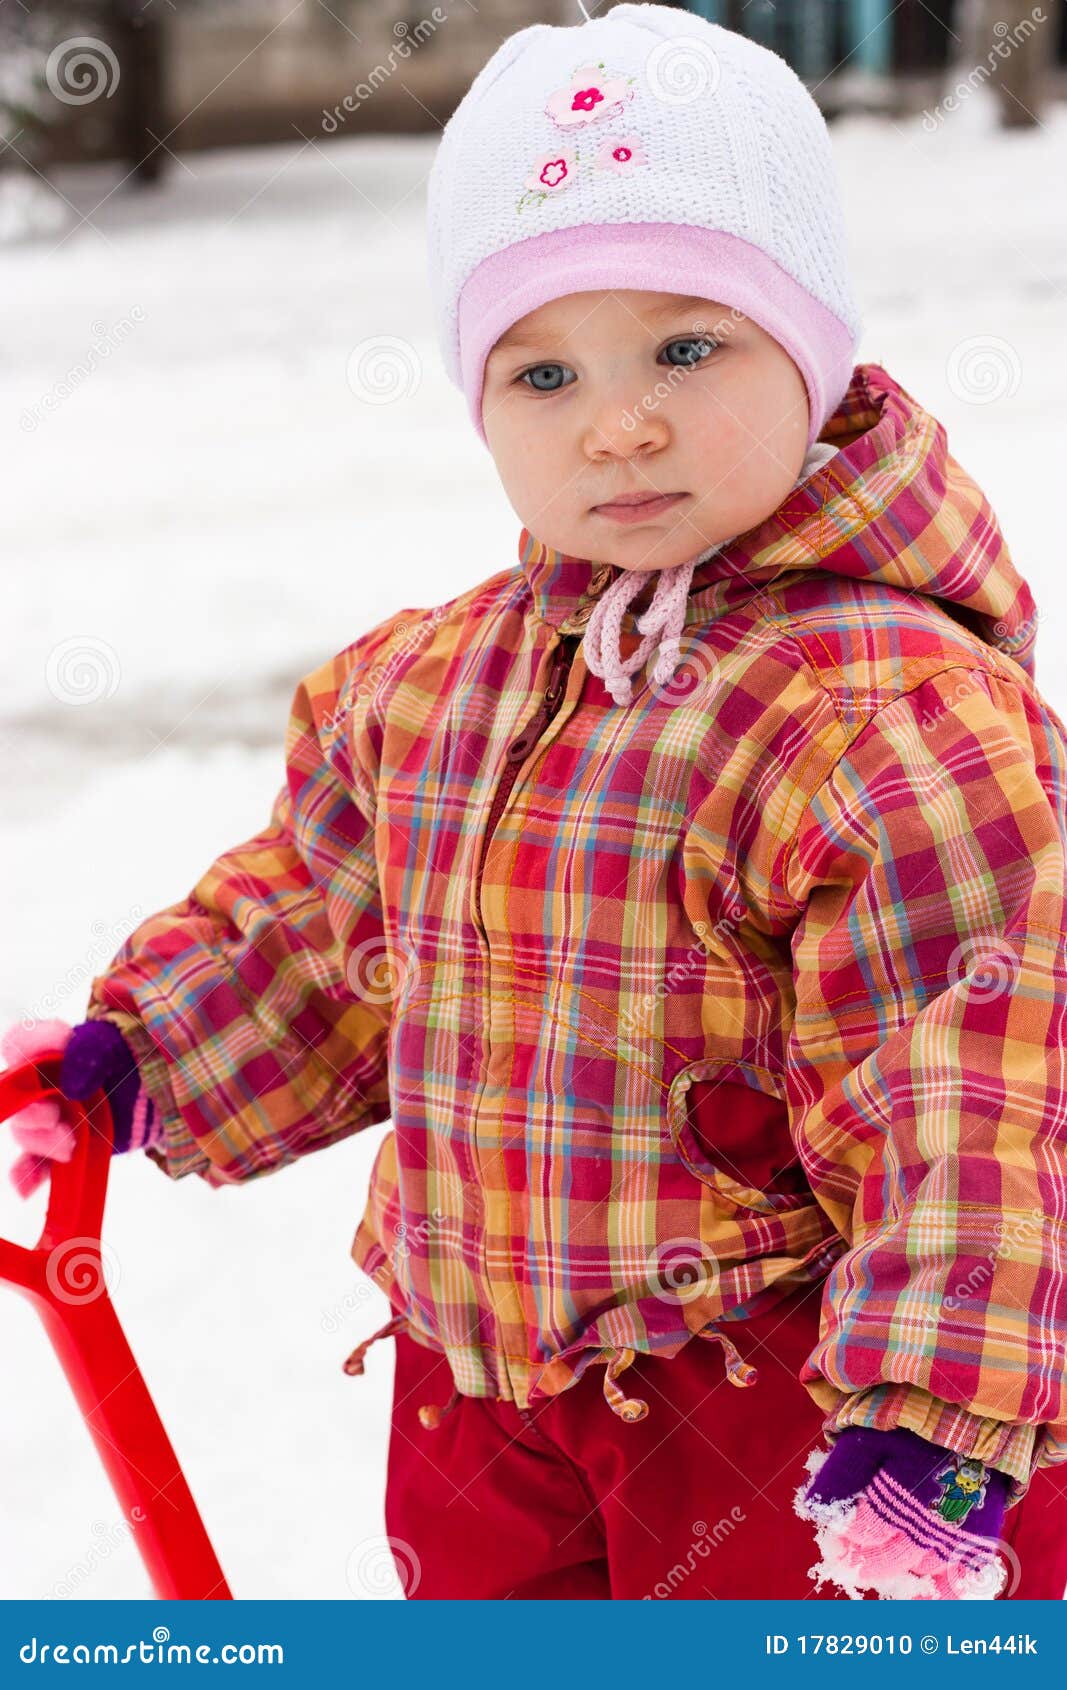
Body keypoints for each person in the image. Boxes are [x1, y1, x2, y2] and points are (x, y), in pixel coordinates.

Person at [6, 3, 1067, 1600]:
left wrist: (934, 1422)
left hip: (781, 1418)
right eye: (543, 369)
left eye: (687, 346)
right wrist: (140, 1051)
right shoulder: (437, 687)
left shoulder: (894, 722)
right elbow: (328, 925)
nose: (616, 421)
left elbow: (982, 1088)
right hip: (478, 1400)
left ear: (816, 347)